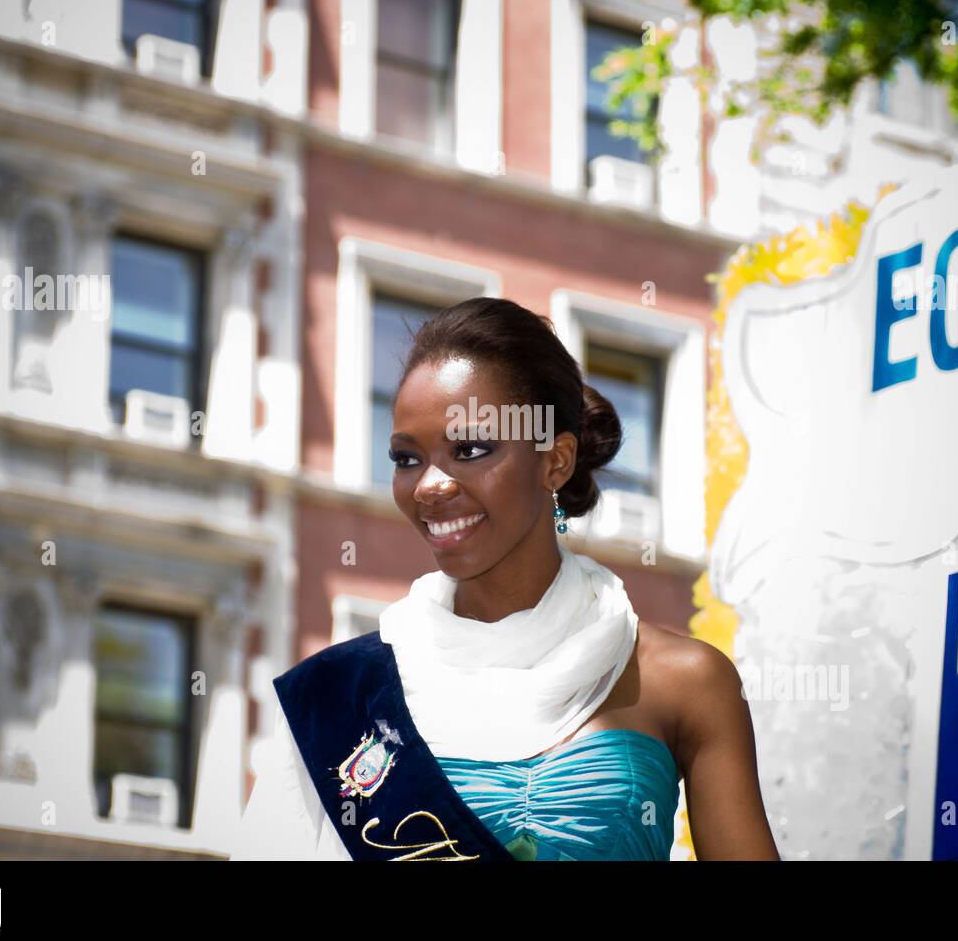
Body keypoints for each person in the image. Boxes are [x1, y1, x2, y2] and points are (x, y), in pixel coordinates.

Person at [230, 297, 779, 861]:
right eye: (406, 458)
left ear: (555, 461)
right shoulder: (340, 697)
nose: (429, 487)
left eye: (469, 450)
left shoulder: (685, 682)